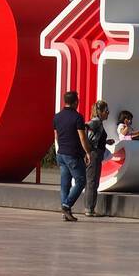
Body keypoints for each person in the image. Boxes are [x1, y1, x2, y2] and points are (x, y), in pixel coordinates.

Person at [52, 90, 90, 222]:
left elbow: (56, 136)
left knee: (65, 184)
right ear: (75, 102)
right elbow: (82, 137)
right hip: (72, 154)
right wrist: (87, 152)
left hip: (61, 154)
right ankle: (66, 205)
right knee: (81, 181)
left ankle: (65, 212)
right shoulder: (77, 117)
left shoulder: (57, 117)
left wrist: (61, 147)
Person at [83, 100, 110, 217]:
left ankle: (90, 207)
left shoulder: (99, 123)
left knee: (93, 181)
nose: (108, 113)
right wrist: (88, 147)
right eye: (106, 111)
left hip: (97, 153)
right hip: (94, 154)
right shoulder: (96, 121)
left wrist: (104, 141)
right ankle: (89, 209)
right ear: (100, 112)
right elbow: (85, 127)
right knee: (92, 181)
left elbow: (93, 135)